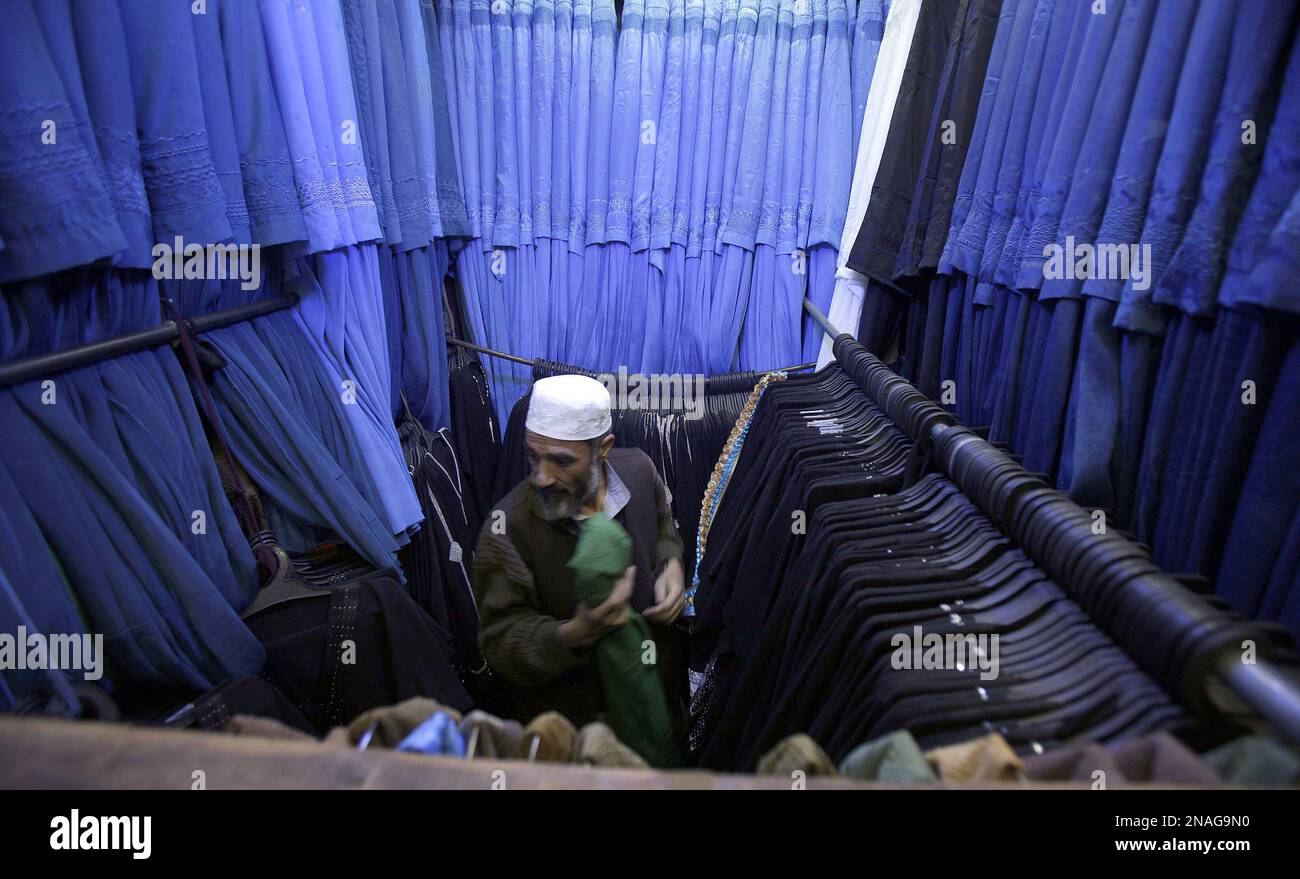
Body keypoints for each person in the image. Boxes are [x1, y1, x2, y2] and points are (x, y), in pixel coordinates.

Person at [472, 375, 687, 729]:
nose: (542, 477)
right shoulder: (507, 529)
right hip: (573, 736)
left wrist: (671, 565)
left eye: (561, 461)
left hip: (655, 706)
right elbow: (499, 640)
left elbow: (665, 526)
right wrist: (573, 634)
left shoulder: (639, 470)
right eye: (533, 456)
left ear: (603, 448)